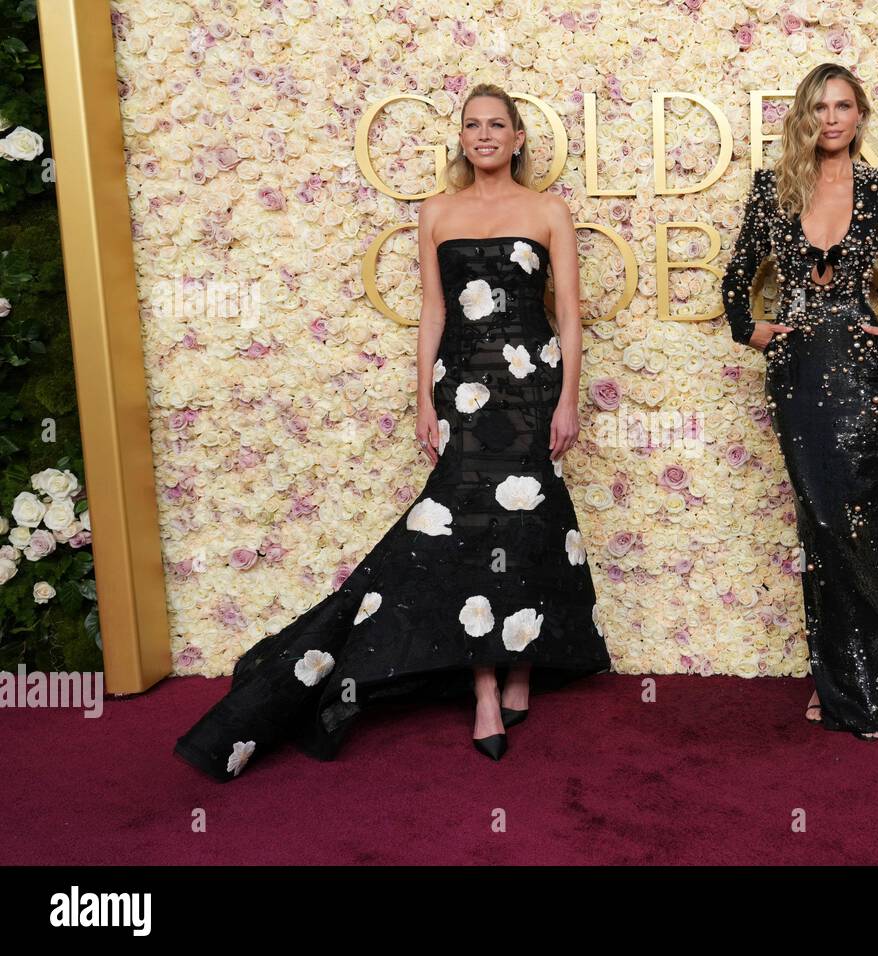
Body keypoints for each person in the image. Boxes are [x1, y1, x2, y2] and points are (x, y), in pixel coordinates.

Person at [173, 83, 610, 779]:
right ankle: (485, 688)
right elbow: (433, 313)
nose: (486, 135)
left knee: (527, 526)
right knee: (463, 531)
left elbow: (569, 314)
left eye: (498, 125)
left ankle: (523, 662)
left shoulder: (548, 209)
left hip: (532, 387)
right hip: (462, 387)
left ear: (519, 138)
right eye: (473, 126)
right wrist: (424, 402)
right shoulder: (436, 212)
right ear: (462, 138)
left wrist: (568, 402)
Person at [721, 63, 878, 740]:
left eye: (843, 106)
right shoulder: (773, 191)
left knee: (859, 528)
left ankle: (872, 692)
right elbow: (736, 277)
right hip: (796, 376)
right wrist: (753, 330)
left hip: (859, 377)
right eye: (819, 108)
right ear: (803, 119)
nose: (832, 119)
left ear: (861, 115)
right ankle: (833, 685)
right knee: (819, 528)